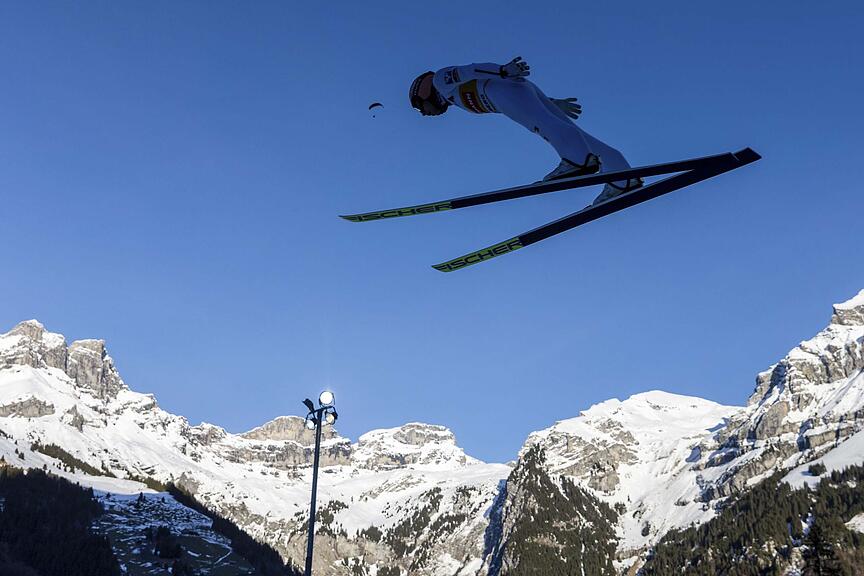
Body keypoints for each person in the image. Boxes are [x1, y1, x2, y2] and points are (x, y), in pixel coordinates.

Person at [409, 57, 642, 205]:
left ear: (422, 92)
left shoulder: (440, 80)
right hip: (514, 90)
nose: (425, 113)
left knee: (543, 125)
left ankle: (577, 161)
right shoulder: (454, 98)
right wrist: (550, 102)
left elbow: (470, 70)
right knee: (572, 132)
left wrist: (502, 70)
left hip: (503, 89)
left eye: (421, 107)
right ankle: (623, 178)